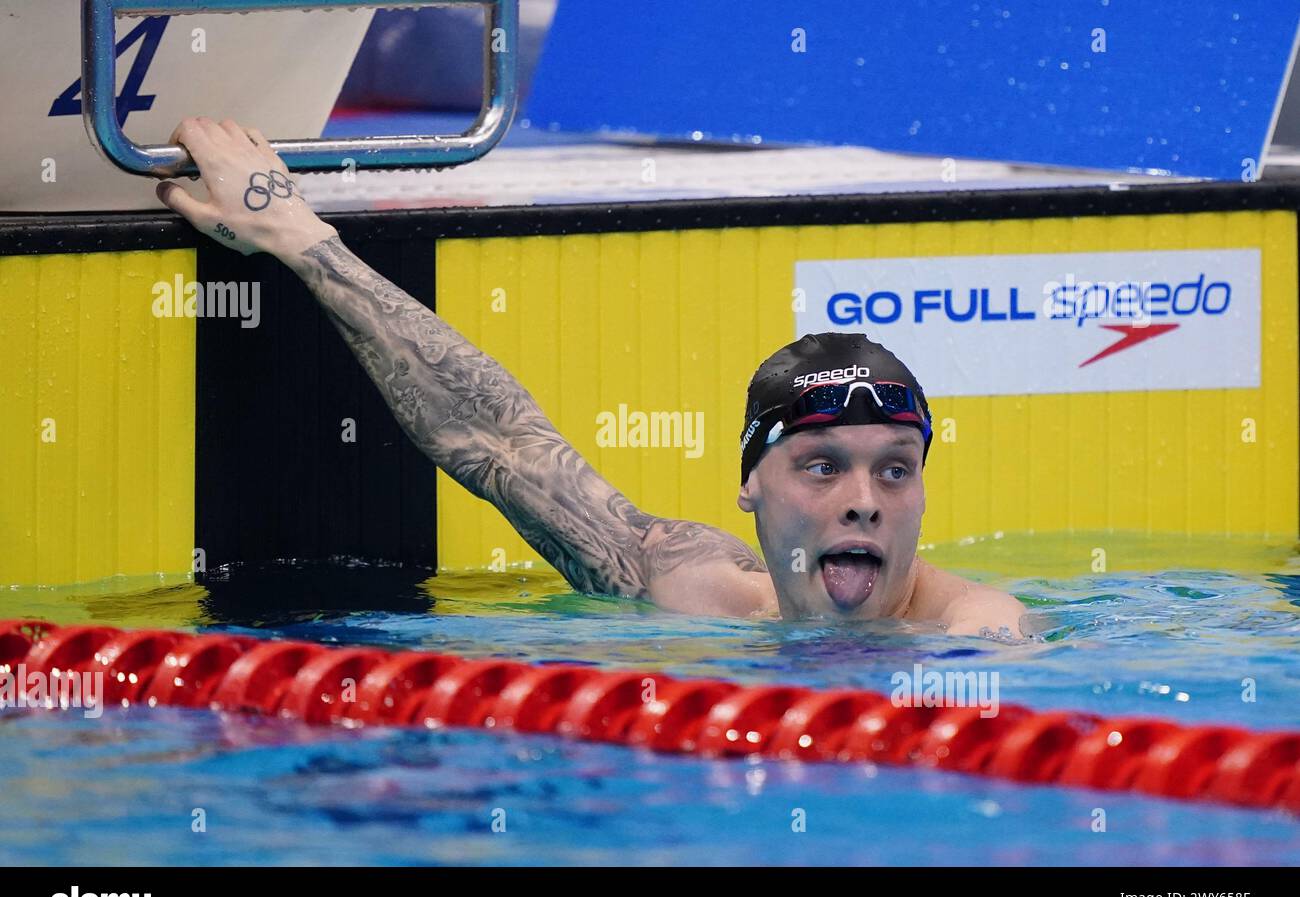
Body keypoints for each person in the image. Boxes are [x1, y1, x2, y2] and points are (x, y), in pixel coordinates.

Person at [155, 117, 1029, 639]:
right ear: (747, 485)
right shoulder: (689, 586)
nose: (866, 500)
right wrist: (297, 235)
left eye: (894, 469)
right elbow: (499, 443)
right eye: (822, 463)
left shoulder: (974, 631)